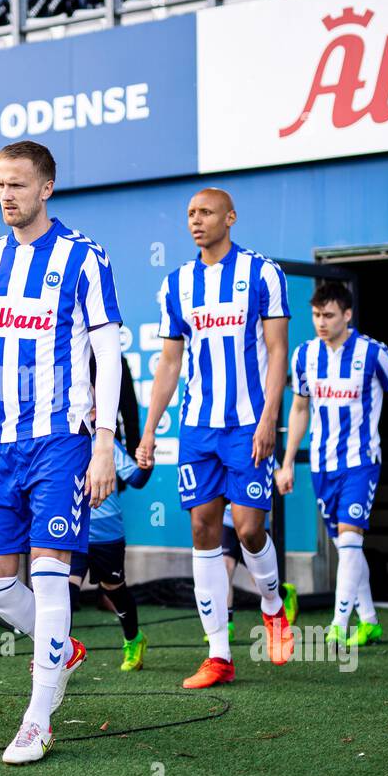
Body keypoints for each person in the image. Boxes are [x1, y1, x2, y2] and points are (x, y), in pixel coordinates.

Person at [0, 139, 123, 765]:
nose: (6, 196)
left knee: (48, 573)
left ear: (46, 188)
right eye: (0, 185)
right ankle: (60, 647)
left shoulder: (84, 258)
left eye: (18, 184)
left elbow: (108, 355)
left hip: (61, 441)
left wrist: (102, 444)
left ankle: (37, 719)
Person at [136, 188, 292, 688]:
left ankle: (271, 603)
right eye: (189, 214)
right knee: (203, 529)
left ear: (230, 217)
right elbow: (170, 362)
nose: (195, 221)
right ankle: (219, 655)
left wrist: (270, 418)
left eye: (204, 212)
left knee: (247, 530)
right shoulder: (178, 283)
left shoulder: (263, 273)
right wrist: (148, 428)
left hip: (248, 423)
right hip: (197, 427)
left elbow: (276, 350)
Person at [276, 281, 388, 647]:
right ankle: (369, 620)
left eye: (329, 315)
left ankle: (339, 624)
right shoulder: (304, 355)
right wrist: (288, 462)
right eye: (317, 315)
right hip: (322, 466)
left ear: (348, 315)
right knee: (345, 548)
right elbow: (300, 408)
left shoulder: (373, 353)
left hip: (360, 463)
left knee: (351, 543)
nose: (321, 322)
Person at [68, 411, 150, 670]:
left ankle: (134, 639)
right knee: (64, 592)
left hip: (106, 535)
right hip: (72, 532)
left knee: (114, 589)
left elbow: (135, 479)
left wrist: (147, 464)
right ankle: (58, 655)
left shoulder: (106, 444)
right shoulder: (58, 442)